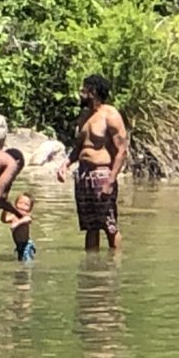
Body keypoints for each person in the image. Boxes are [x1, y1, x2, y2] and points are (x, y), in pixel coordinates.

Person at [56, 74, 130, 251]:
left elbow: (122, 150)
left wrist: (111, 180)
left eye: (84, 89)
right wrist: (66, 164)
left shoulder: (110, 115)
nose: (80, 92)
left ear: (93, 91)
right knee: (90, 226)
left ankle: (115, 262)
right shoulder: (84, 116)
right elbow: (79, 148)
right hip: (83, 175)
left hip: (102, 174)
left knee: (109, 225)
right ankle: (91, 264)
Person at [0, 193, 36, 262]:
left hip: (27, 245)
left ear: (30, 208)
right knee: (20, 261)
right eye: (20, 203)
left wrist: (17, 223)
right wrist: (5, 210)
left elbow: (28, 219)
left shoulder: (27, 216)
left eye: (26, 204)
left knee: (27, 262)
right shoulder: (14, 216)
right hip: (18, 246)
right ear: (15, 204)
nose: (22, 206)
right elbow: (4, 220)